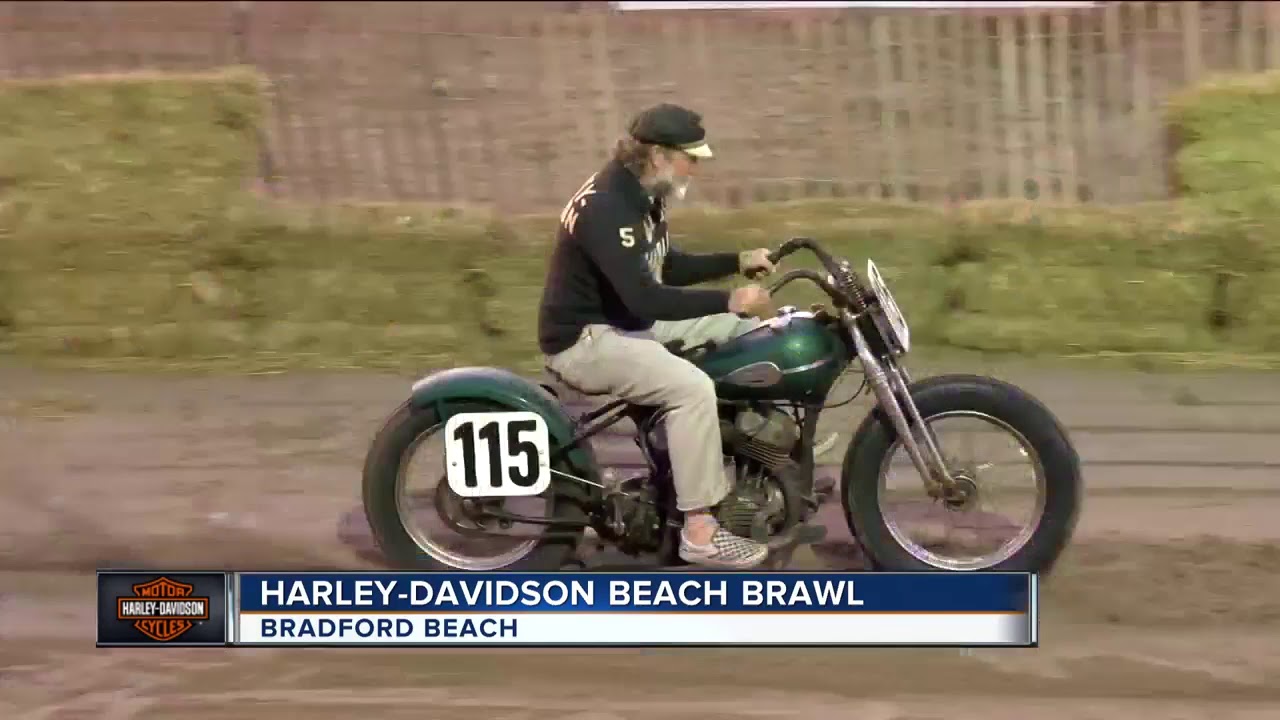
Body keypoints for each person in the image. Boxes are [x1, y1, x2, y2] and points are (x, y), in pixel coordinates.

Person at [536, 102, 783, 569]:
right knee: (692, 389)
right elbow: (646, 298)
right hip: (585, 340)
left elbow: (663, 265)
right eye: (691, 158)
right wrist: (728, 298)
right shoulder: (607, 207)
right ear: (658, 155)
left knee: (747, 332)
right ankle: (699, 532)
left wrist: (736, 260)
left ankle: (765, 457)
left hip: (622, 322)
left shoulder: (643, 194)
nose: (696, 167)